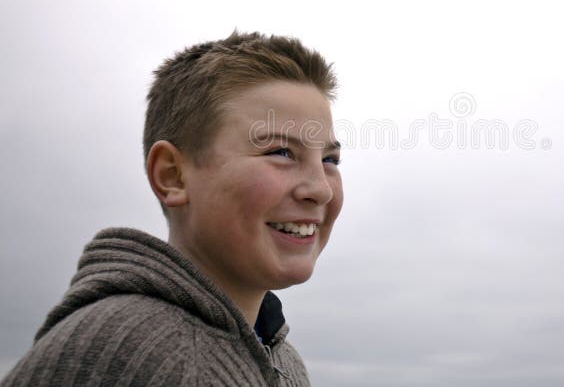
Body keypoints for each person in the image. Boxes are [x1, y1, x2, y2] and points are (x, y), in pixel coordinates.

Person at [2, 32, 344, 386]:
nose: (320, 188)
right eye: (280, 152)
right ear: (173, 175)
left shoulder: (281, 357)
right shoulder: (155, 359)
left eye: (330, 159)